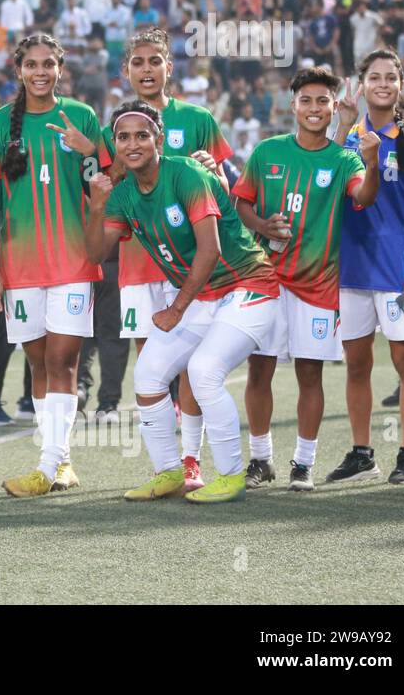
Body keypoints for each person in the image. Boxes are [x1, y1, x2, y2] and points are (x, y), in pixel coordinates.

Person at [87, 100, 280, 504]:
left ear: (159, 138)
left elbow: (208, 250)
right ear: (115, 145)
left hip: (249, 287)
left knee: (204, 370)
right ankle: (169, 472)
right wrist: (96, 204)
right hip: (205, 297)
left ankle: (230, 476)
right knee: (148, 376)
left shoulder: (187, 174)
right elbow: (95, 253)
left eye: (142, 135)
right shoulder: (121, 195)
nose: (133, 143)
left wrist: (177, 308)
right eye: (123, 137)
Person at [97, 28, 232, 489]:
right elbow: (107, 190)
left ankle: (191, 460)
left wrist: (214, 172)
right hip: (138, 261)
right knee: (151, 361)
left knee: (194, 362)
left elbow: (225, 191)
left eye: (155, 61)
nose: (147, 70)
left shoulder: (197, 118)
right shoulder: (110, 126)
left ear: (169, 67)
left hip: (190, 265)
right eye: (138, 62)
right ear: (126, 71)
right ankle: (164, 462)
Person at [235, 68, 380, 492]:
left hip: (317, 288)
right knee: (258, 371)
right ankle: (261, 460)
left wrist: (371, 164)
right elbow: (241, 202)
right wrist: (263, 223)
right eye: (307, 101)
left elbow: (364, 196)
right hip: (266, 284)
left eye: (323, 102)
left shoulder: (344, 159)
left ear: (335, 108)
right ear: (292, 104)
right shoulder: (266, 152)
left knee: (309, 376)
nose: (314, 108)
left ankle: (303, 464)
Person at [0, 32, 101, 498]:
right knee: (37, 362)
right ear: (19, 70)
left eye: (49, 64)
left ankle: (48, 466)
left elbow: (103, 182)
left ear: (60, 68)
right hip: (19, 265)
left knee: (61, 359)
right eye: (32, 64)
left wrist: (89, 151)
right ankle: (62, 460)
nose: (41, 72)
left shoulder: (82, 117)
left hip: (73, 261)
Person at [329, 50, 404, 485]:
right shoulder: (348, 137)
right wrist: (342, 124)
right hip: (351, 267)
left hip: (398, 270)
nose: (383, 83)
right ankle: (362, 453)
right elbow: (325, 180)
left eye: (391, 77)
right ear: (361, 83)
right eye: (374, 77)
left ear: (400, 84)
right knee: (357, 363)